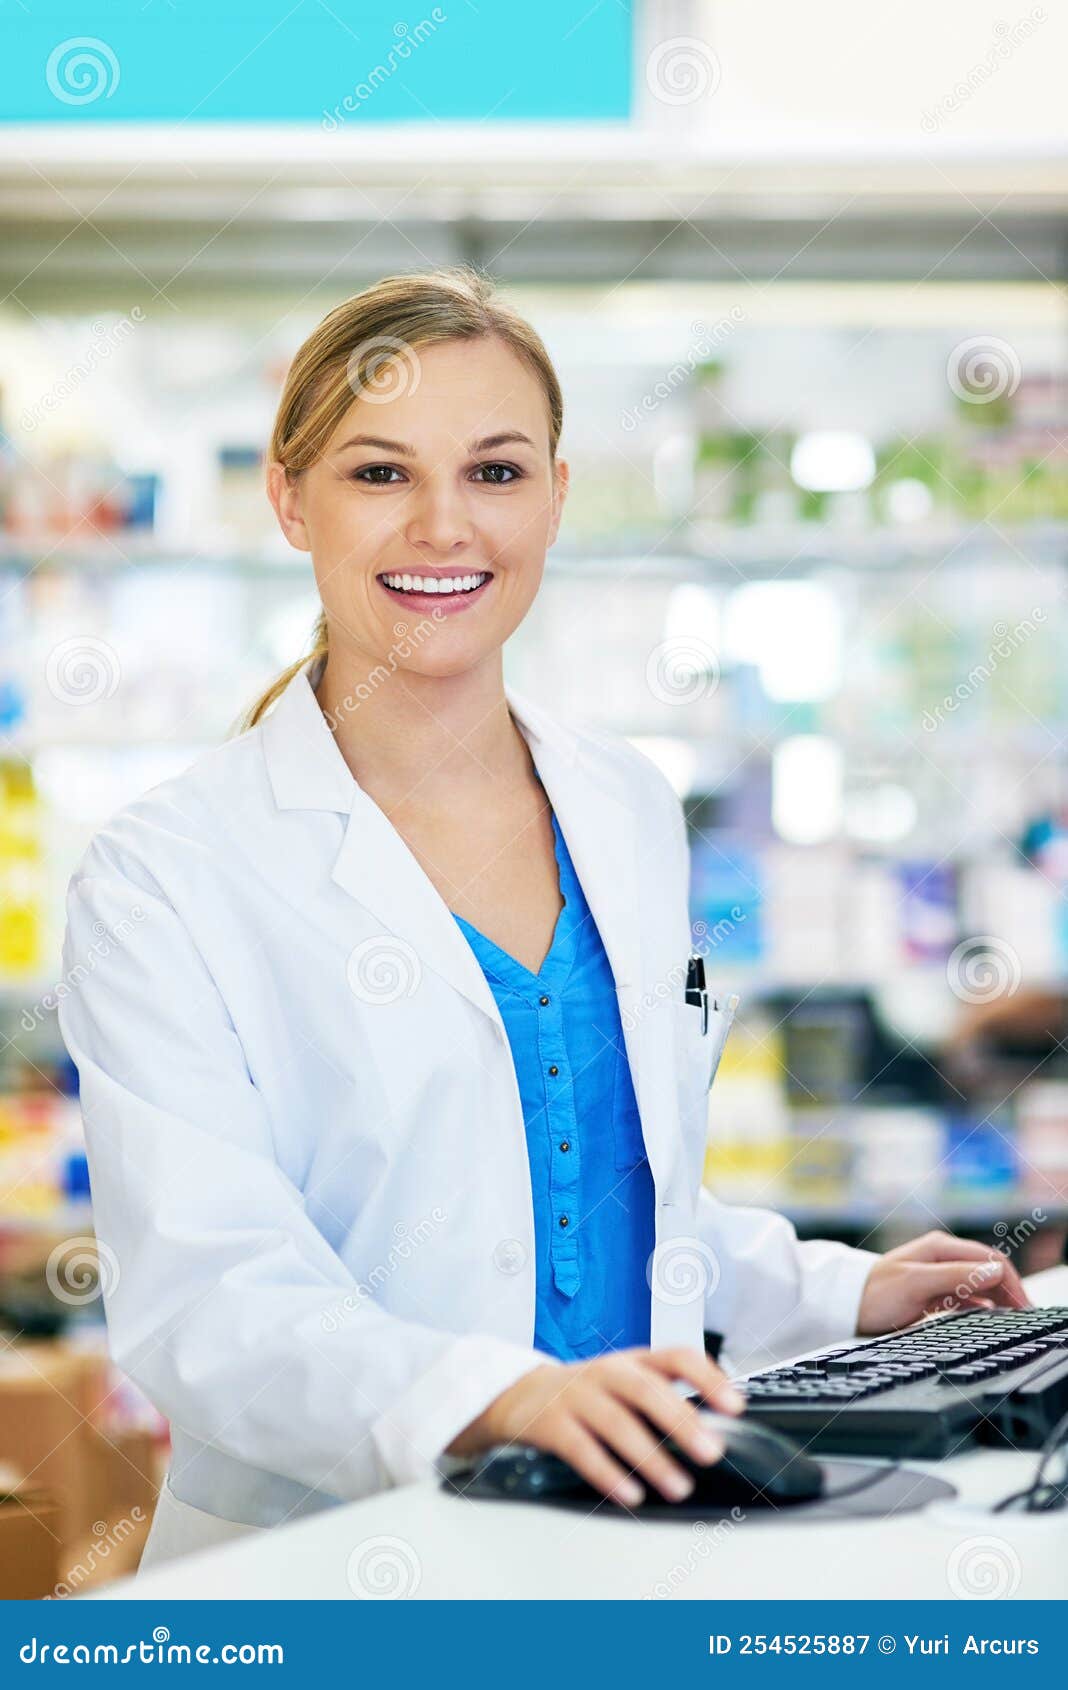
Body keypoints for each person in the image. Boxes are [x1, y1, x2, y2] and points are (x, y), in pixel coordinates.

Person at [57, 267, 1028, 1567]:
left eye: (497, 472)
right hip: (338, 1565)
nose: (445, 526)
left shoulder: (621, 802)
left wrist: (840, 1288)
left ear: (559, 496)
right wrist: (493, 1396)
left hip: (635, 1527)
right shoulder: (166, 874)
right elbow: (210, 1303)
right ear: (291, 500)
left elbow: (602, 1201)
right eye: (380, 473)